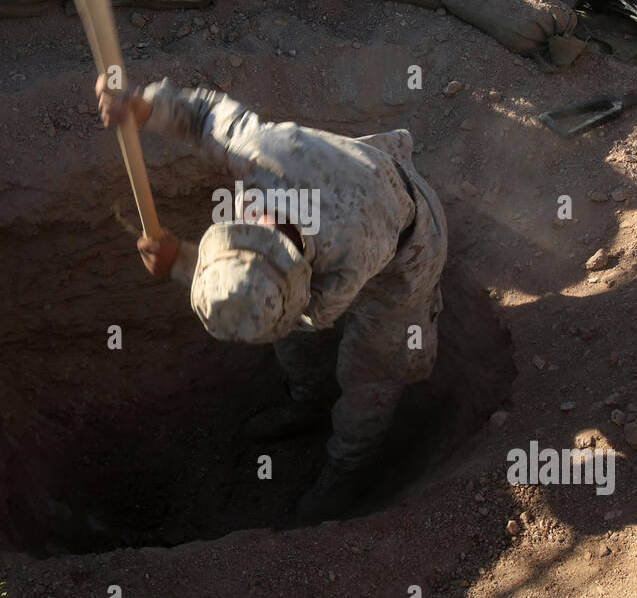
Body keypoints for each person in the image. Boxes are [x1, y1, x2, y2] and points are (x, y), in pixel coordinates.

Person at [97, 75, 448, 521]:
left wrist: (180, 266)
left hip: (405, 251)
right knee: (277, 326)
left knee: (372, 370)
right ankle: (306, 403)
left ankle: (347, 468)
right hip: (350, 177)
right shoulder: (263, 152)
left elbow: (314, 315)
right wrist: (145, 109)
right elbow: (206, 114)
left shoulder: (351, 256)